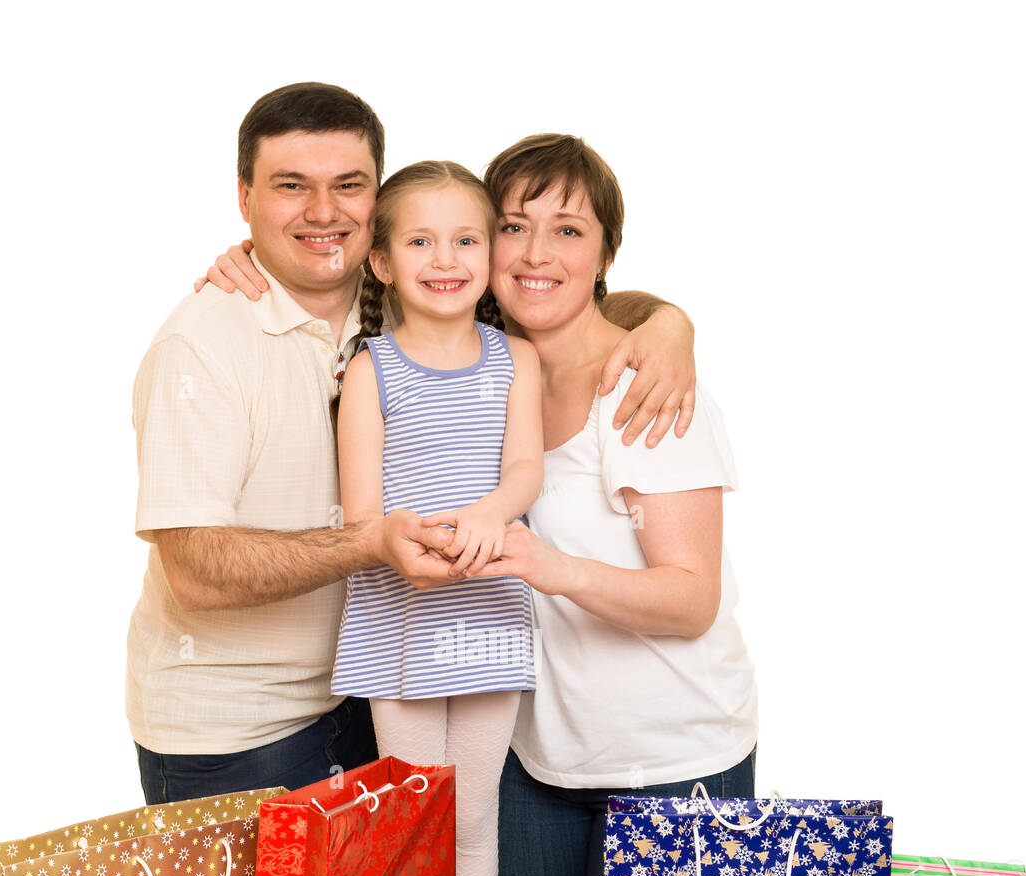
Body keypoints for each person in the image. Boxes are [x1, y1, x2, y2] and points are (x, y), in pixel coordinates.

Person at [148, 82, 697, 808]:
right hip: (244, 730)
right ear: (244, 199)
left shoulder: (402, 299)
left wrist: (668, 322)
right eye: (290, 186)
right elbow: (193, 572)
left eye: (346, 186)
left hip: (378, 679)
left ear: (374, 209)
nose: (321, 211)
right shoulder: (205, 342)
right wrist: (376, 542)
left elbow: (559, 297)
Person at [464, 136, 759, 876]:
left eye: (568, 229)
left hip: (674, 764)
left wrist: (551, 568)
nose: (536, 252)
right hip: (535, 762)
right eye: (512, 225)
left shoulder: (644, 387)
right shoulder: (491, 374)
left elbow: (690, 600)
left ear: (603, 255)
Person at [333, 160, 541, 876]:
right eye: (420, 242)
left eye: (465, 241)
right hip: (401, 617)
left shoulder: (514, 358)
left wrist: (487, 518)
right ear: (382, 262)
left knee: (475, 817)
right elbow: (362, 515)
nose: (446, 260)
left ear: (491, 255)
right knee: (414, 818)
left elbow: (523, 467)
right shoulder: (372, 368)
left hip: (489, 610)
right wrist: (413, 541)